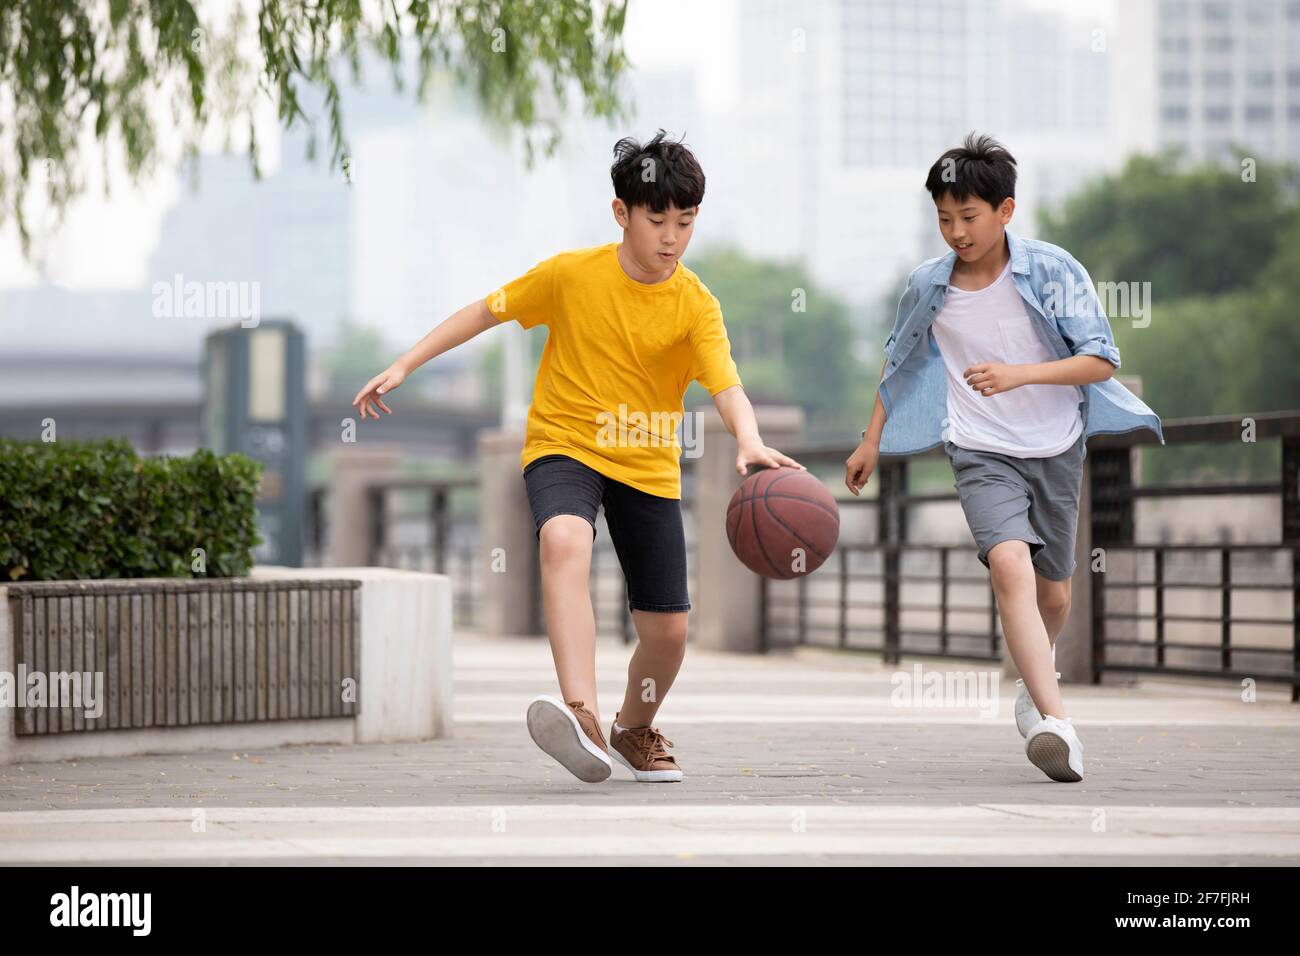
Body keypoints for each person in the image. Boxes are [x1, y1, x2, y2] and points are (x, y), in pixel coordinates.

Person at [353, 130, 803, 784]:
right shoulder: (568, 276)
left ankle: (633, 726)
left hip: (647, 463)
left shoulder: (696, 304)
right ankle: (582, 715)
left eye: (685, 221)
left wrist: (751, 439)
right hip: (565, 444)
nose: (671, 236)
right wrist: (404, 364)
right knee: (564, 540)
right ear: (621, 213)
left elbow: (725, 383)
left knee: (669, 633)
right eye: (657, 219)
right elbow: (486, 312)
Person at [845, 132, 1164, 782]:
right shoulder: (928, 286)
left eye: (969, 217)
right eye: (944, 219)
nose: (957, 232)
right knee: (1011, 569)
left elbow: (1102, 359)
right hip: (979, 447)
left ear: (1006, 210)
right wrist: (871, 437)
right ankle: (1056, 722)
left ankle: (1033, 678)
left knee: (1055, 593)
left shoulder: (1052, 270)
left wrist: (1022, 375)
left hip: (1054, 448)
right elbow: (900, 361)